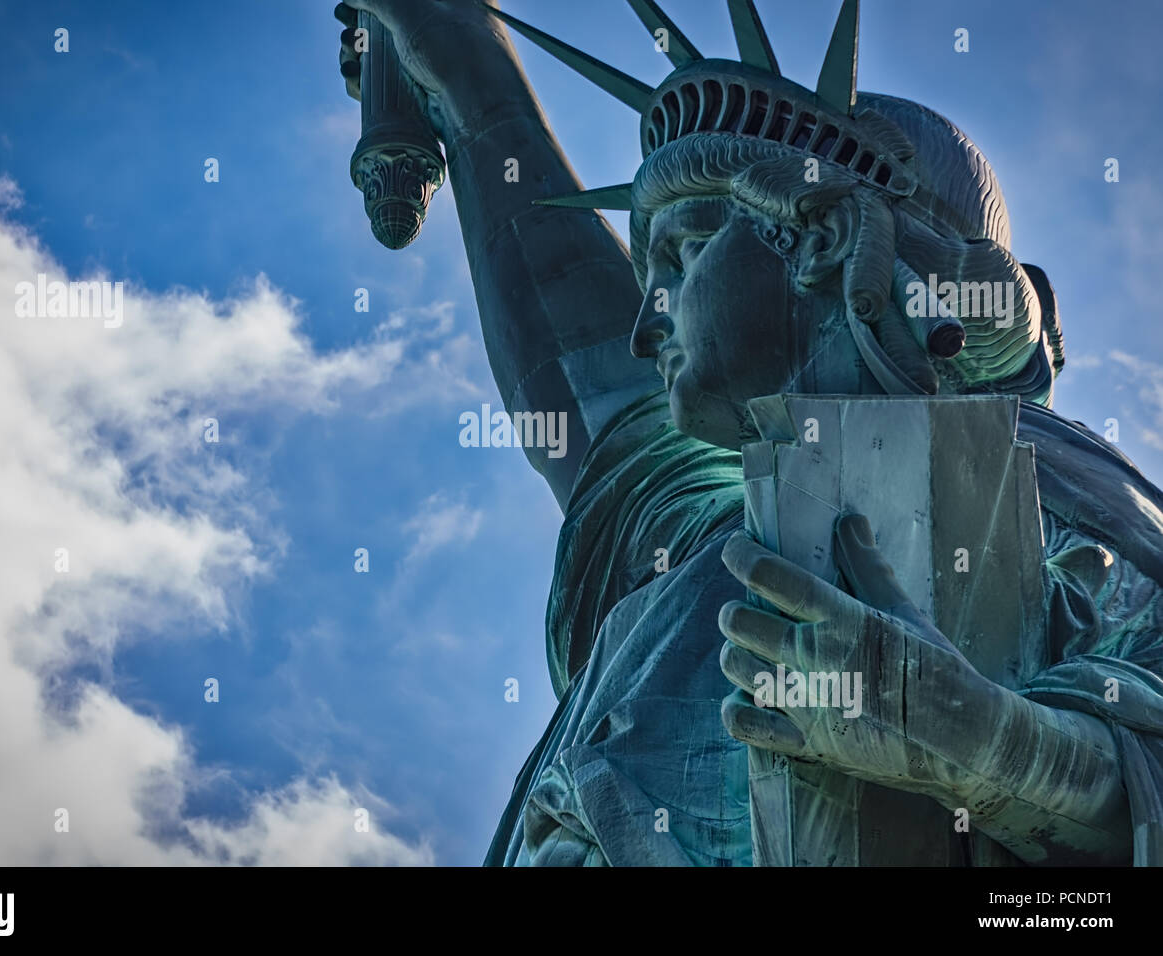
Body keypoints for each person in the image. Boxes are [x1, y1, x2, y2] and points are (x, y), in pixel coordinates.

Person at [334, 0, 1163, 866]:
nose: (642, 328)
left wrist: (994, 746)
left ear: (820, 240)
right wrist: (460, 57)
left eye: (682, 258)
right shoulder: (704, 549)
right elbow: (588, 385)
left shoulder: (1069, 508)